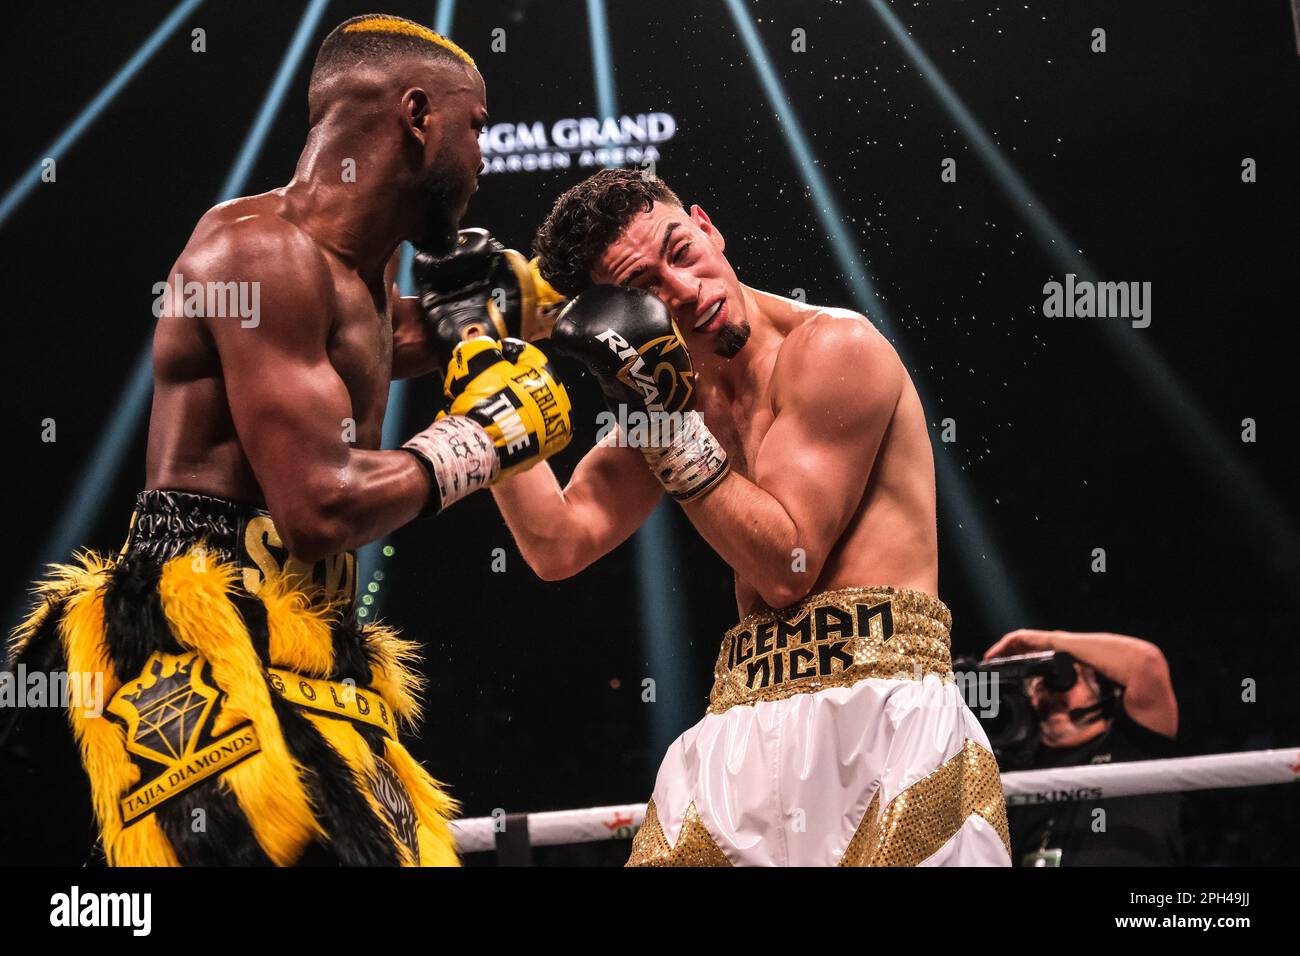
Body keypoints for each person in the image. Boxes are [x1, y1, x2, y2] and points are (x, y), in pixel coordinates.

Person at [1, 14, 569, 867]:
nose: (487, 155)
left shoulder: (362, 270)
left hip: (313, 644)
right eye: (477, 124)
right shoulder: (258, 255)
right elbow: (319, 504)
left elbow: (377, 346)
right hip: (192, 635)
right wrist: (485, 439)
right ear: (418, 114)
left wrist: (542, 304)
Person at [487, 168, 1012, 866]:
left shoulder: (835, 349)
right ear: (616, 319)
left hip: (886, 717)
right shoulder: (666, 398)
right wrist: (485, 394)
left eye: (681, 253)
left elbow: (787, 564)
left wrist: (667, 427)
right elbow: (558, 544)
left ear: (707, 226)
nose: (683, 292)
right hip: (742, 728)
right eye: (644, 290)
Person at [982, 629, 1183, 866]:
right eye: (1039, 684)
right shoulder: (1018, 763)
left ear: (1098, 689)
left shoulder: (1134, 744)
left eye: (1065, 680)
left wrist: (1046, 642)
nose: (1049, 690)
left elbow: (1147, 664)